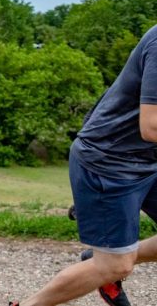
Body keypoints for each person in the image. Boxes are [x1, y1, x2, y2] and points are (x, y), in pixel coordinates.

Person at [10, 25, 157, 306]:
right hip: (109, 161)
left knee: (118, 259)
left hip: (149, 160)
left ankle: (109, 257)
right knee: (115, 265)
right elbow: (151, 125)